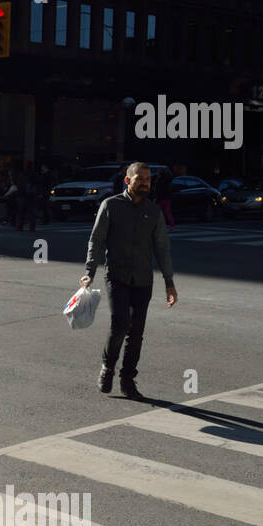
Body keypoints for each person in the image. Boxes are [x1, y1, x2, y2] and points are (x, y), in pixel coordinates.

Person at [82, 162, 178, 400]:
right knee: (120, 325)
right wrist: (90, 271)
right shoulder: (111, 205)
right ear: (128, 181)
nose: (145, 183)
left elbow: (162, 248)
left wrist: (169, 282)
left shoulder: (154, 211)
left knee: (137, 332)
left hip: (143, 279)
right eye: (140, 179)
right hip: (117, 275)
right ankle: (108, 367)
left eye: (148, 179)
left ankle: (128, 379)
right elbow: (97, 239)